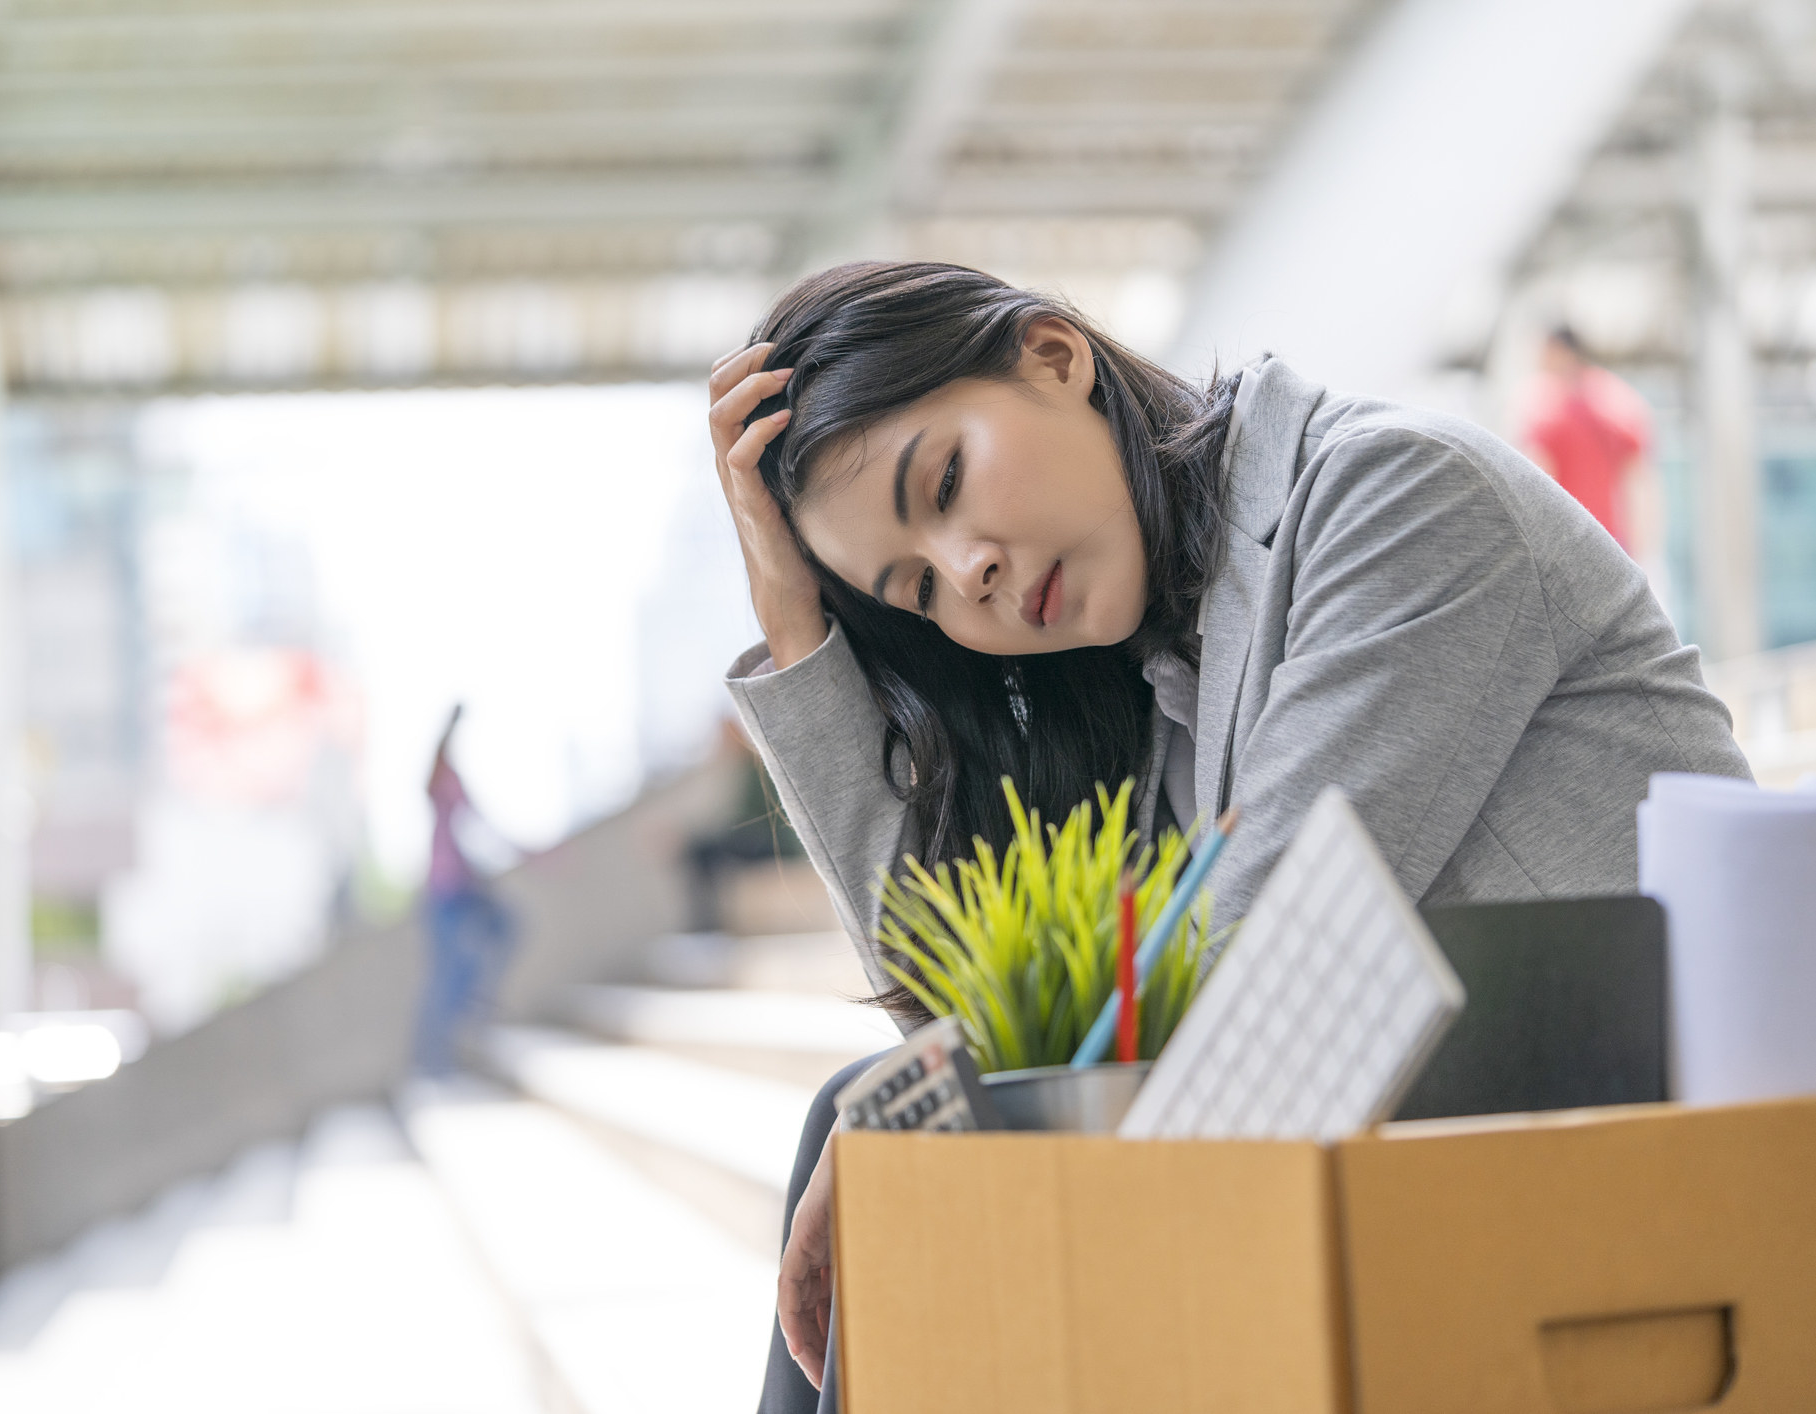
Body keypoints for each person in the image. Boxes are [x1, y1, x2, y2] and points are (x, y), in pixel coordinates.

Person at [708, 263, 1751, 1411]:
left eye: (947, 480)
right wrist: (798, 633)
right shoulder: (1165, 682)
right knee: (868, 1108)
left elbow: (1248, 999)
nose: (971, 573)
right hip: (1437, 1192)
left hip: (1638, 1214)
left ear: (1055, 357)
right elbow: (966, 992)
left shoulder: (1400, 501)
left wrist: (915, 1114)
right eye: (916, 591)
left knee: (886, 1117)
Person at [412, 706, 513, 1075]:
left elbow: (481, 821)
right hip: (444, 889)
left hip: (467, 884)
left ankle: (478, 1002)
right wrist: (449, 724)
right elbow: (434, 767)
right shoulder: (439, 781)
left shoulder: (455, 780)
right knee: (448, 973)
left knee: (508, 926)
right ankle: (433, 1061)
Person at [1520, 326, 1658, 556]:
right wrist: (1643, 548)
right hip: (1613, 540)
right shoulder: (1617, 397)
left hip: (1568, 539)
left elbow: (1537, 477)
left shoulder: (1547, 404)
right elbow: (1639, 477)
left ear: (1560, 351)